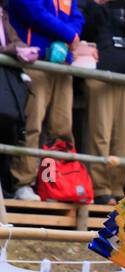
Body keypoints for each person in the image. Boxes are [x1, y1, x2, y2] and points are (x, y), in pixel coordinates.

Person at [8, 0, 84, 201]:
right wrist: (69, 34)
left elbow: (78, 17)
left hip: (62, 64)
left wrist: (72, 34)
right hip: (36, 61)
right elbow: (33, 11)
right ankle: (23, 182)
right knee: (32, 126)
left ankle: (51, 184)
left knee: (60, 130)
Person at [81, 0, 125, 204]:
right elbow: (86, 30)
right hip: (102, 76)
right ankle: (100, 188)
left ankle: (117, 187)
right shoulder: (89, 5)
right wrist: (98, 4)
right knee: (100, 134)